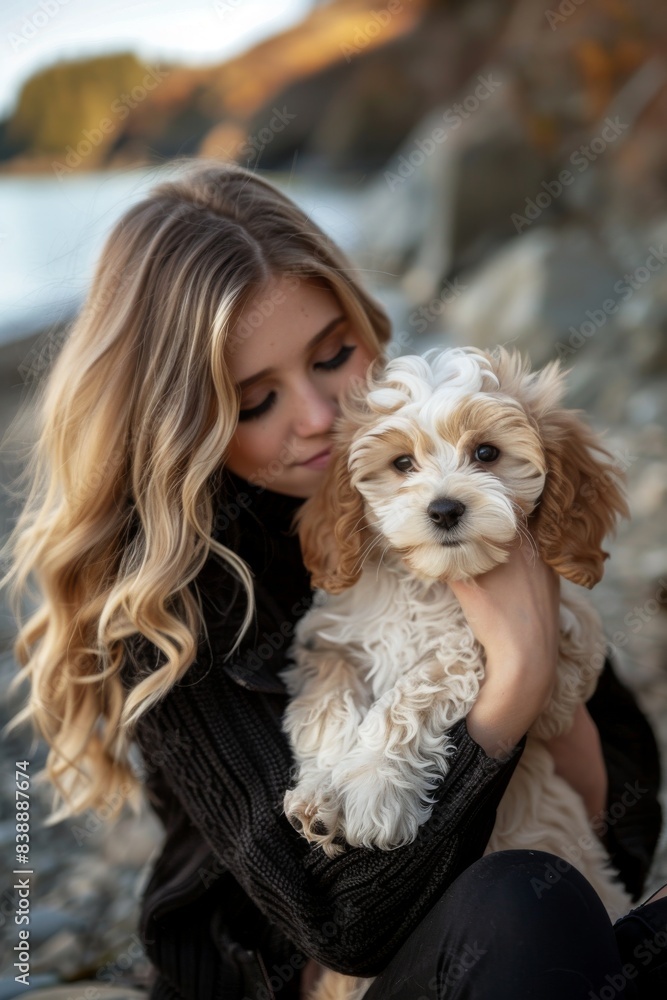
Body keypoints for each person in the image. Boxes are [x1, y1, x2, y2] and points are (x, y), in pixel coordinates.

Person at [2, 157, 664, 1000]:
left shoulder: (465, 491)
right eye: (253, 402)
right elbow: (345, 932)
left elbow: (624, 828)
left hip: (527, 943)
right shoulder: (168, 602)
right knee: (516, 912)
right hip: (313, 976)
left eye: (333, 355)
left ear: (366, 322)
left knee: (550, 906)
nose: (316, 420)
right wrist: (516, 680)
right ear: (182, 419)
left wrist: (555, 682)